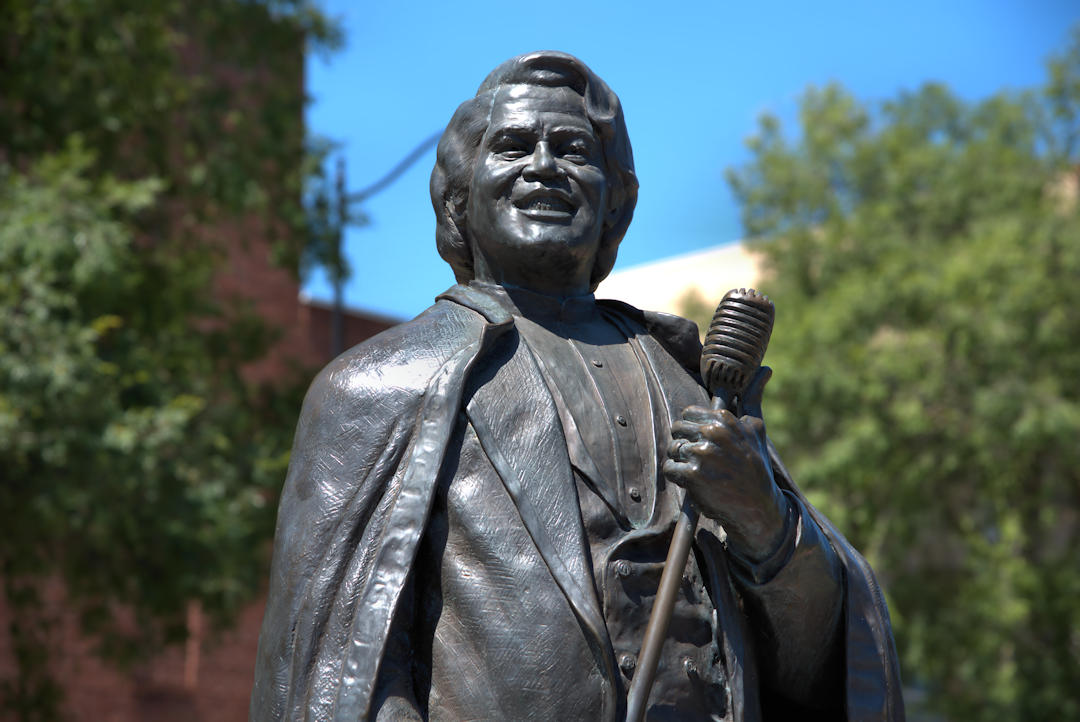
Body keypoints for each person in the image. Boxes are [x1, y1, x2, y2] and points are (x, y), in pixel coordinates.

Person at [251, 51, 903, 722]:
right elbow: (336, 682)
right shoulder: (378, 388)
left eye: (572, 149)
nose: (544, 166)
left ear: (615, 201)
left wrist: (767, 526)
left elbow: (816, 663)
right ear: (456, 197)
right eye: (511, 147)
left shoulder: (693, 386)